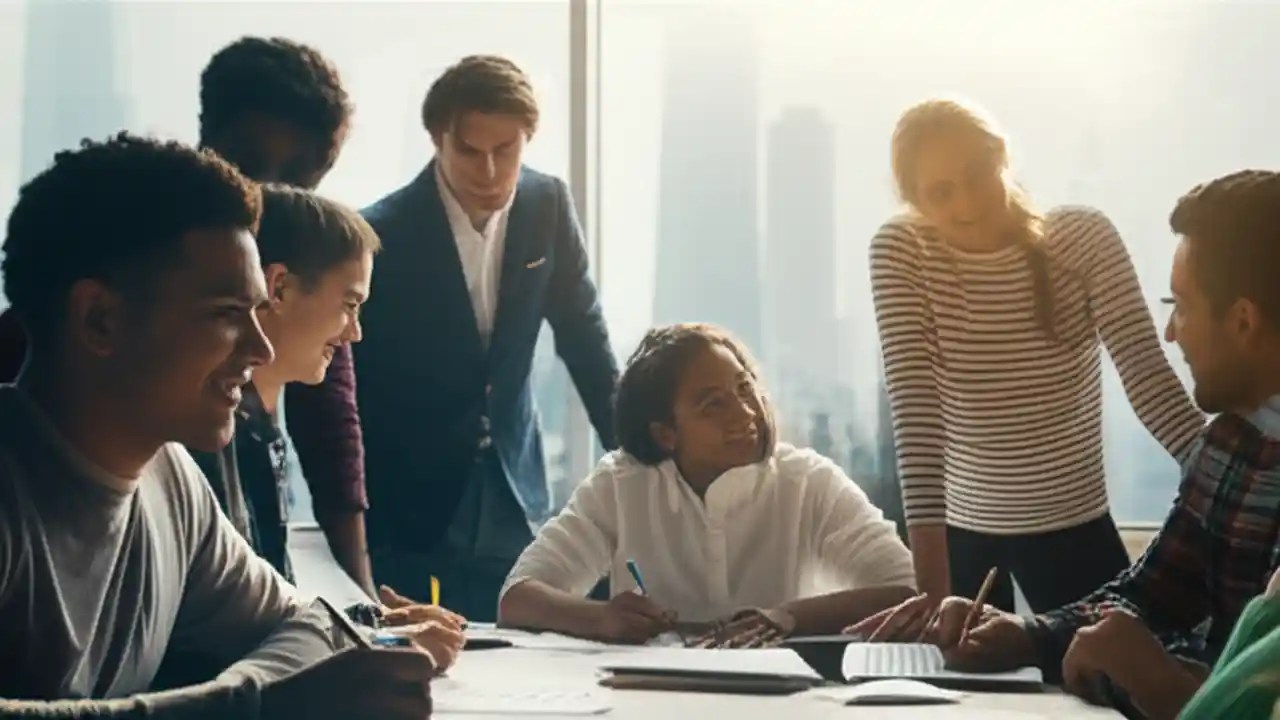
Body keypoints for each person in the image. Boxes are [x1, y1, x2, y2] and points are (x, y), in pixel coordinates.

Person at [0, 133, 460, 718]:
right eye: (224, 315)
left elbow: (309, 625)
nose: (260, 347)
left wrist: (257, 699)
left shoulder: (170, 483)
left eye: (255, 312)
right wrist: (257, 706)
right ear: (99, 320)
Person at [851, 169, 1280, 719]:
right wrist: (1023, 636)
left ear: (1243, 321)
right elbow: (1151, 594)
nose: (1172, 332)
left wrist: (1163, 683)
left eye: (1182, 305)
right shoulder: (1230, 446)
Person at [0, 36, 377, 596]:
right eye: (225, 313)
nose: (271, 193)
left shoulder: (176, 484)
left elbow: (282, 624)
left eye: (299, 175)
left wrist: (365, 606)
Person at [869, 97, 1204, 612]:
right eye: (940, 192)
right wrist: (933, 597)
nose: (966, 204)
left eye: (977, 174)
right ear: (914, 202)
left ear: (1001, 155)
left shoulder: (1084, 237)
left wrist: (1235, 477)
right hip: (962, 536)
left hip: (1076, 528)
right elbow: (916, 419)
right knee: (966, 687)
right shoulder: (900, 251)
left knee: (1106, 683)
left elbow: (1146, 376)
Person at [358, 55, 620, 622]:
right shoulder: (383, 233)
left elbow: (584, 337)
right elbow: (354, 385)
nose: (490, 170)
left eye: (507, 150)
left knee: (520, 655)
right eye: (471, 152)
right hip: (411, 506)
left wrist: (638, 456)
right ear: (437, 140)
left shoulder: (546, 205)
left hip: (512, 489)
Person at [497, 323, 916, 645]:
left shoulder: (809, 482)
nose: (745, 413)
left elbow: (909, 590)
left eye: (745, 389)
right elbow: (518, 598)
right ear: (666, 434)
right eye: (714, 404)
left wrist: (786, 617)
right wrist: (600, 618)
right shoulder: (622, 484)